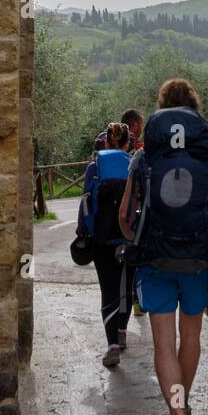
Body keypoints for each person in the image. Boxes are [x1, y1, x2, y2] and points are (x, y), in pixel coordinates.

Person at [119, 78, 208, 415]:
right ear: (194, 107)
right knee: (192, 337)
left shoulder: (144, 153)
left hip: (156, 258)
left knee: (163, 343)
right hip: (199, 258)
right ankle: (184, 405)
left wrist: (138, 237)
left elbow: (124, 215)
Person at [78, 122, 135, 369]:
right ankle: (122, 330)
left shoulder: (94, 168)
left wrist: (82, 231)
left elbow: (85, 202)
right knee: (128, 287)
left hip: (102, 239)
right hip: (130, 237)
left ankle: (112, 345)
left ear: (107, 143)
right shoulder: (135, 164)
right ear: (127, 144)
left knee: (108, 290)